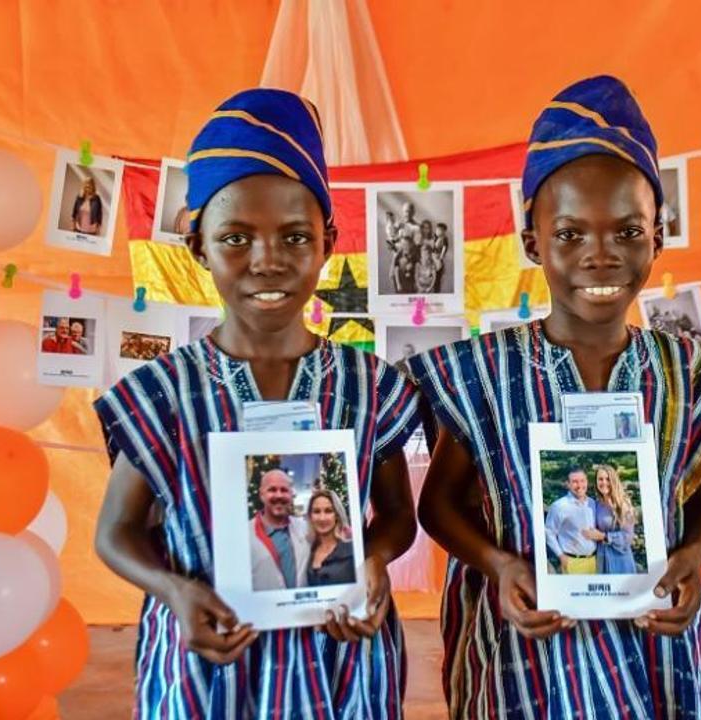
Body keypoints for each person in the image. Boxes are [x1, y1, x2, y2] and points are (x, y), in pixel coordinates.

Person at [405, 75, 701, 719]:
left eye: (627, 232)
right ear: (532, 242)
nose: (600, 256)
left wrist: (689, 561)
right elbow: (440, 507)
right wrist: (500, 566)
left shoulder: (686, 371)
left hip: (655, 651)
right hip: (522, 650)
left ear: (658, 236)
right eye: (570, 235)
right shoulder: (485, 370)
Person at [92, 89, 422, 719]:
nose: (267, 262)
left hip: (339, 662)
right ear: (198, 247)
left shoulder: (368, 384)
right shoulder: (165, 391)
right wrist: (175, 592)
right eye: (236, 239)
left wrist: (373, 561)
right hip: (207, 663)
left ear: (327, 242)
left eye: (294, 238)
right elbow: (116, 532)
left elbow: (397, 517)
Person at [250, 469, 311, 590]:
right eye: (272, 489)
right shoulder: (245, 534)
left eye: (284, 490)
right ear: (262, 495)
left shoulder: (305, 528)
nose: (279, 495)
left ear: (291, 495)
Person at [543, 468, 600, 574]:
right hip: (573, 562)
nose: (579, 486)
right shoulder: (559, 506)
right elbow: (549, 532)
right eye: (575, 482)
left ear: (587, 482)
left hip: (595, 560)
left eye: (582, 481)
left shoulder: (592, 503)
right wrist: (560, 555)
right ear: (567, 484)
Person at [307, 488, 357, 586]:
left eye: (328, 511)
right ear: (310, 516)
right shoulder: (307, 551)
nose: (322, 518)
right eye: (316, 511)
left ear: (337, 515)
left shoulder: (352, 550)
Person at [593, 464, 637, 574]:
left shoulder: (623, 504)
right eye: (600, 479)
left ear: (613, 481)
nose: (604, 483)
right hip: (602, 558)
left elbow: (628, 537)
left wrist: (604, 536)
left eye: (607, 479)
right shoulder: (597, 504)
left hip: (620, 559)